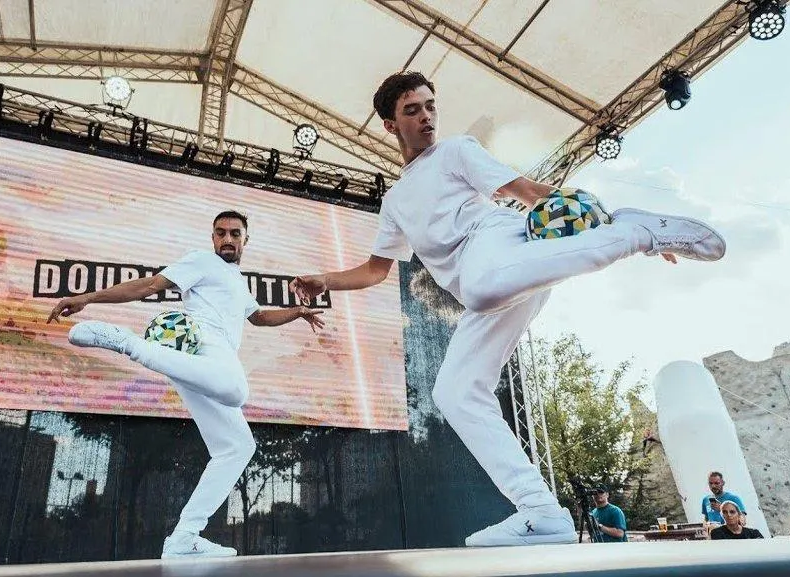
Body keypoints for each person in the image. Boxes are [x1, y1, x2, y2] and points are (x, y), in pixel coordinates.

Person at [289, 71, 726, 547]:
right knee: (455, 392)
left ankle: (635, 232)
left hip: (498, 248)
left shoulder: (456, 151)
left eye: (431, 106)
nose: (427, 117)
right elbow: (375, 270)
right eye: (412, 110)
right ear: (391, 125)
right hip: (497, 284)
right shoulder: (395, 201)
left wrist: (599, 218)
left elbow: (527, 192)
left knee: (479, 287)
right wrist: (323, 279)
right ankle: (543, 514)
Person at [46, 210, 324, 558]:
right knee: (237, 390)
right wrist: (88, 298)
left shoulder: (238, 281)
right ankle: (131, 343)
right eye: (220, 233)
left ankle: (184, 537)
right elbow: (148, 286)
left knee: (237, 447)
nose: (227, 239)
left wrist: (296, 313)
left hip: (199, 366)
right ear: (212, 238)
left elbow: (260, 317)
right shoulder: (202, 262)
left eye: (234, 234)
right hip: (202, 346)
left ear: (245, 240)